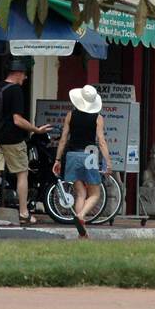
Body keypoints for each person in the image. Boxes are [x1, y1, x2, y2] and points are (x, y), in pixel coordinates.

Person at [0, 58, 51, 225]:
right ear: (18, 73)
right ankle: (23, 212)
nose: (25, 78)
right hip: (12, 139)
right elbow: (17, 120)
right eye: (24, 75)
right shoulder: (16, 91)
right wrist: (36, 129)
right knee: (22, 174)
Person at [53, 85, 112, 239]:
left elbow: (63, 139)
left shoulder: (70, 115)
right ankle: (81, 215)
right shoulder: (98, 118)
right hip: (89, 156)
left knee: (80, 193)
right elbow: (101, 141)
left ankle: (82, 232)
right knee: (95, 194)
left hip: (71, 155)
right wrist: (108, 161)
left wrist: (57, 159)